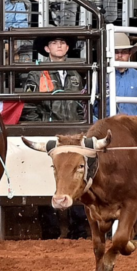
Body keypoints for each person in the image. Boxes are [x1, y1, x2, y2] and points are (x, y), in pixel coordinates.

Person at [23, 34, 88, 239]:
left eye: (62, 43)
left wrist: (80, 127)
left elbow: (81, 105)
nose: (59, 46)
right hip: (52, 133)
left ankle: (78, 230)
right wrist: (39, 129)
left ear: (67, 48)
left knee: (76, 177)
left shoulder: (77, 74)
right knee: (50, 179)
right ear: (47, 48)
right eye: (54, 43)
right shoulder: (36, 74)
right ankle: (50, 231)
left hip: (73, 133)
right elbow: (30, 105)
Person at [101, 32, 137, 118]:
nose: (119, 55)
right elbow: (89, 104)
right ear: (110, 54)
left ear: (130, 54)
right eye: (116, 52)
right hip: (107, 127)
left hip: (133, 128)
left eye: (124, 52)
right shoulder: (101, 76)